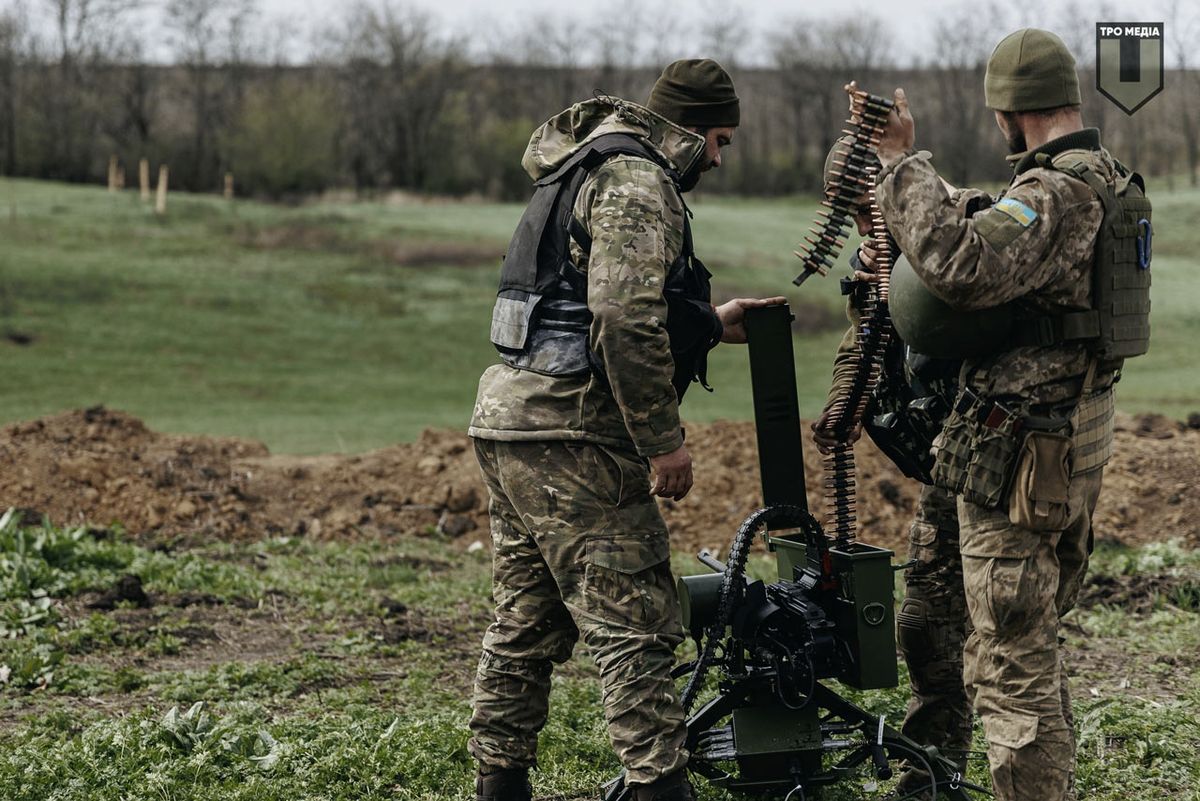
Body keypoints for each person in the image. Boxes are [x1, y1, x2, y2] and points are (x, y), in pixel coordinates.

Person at [467, 58, 785, 801]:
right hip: (577, 434)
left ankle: (498, 782)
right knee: (636, 627)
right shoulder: (640, 180)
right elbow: (621, 318)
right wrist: (662, 440)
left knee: (524, 621)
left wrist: (709, 322)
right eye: (720, 140)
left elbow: (579, 305)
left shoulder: (579, 165)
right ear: (694, 130)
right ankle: (658, 788)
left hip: (511, 422)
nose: (718, 157)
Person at [871, 28, 1148, 801]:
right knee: (982, 629)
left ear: (1009, 111)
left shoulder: (1057, 194)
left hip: (1021, 465)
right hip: (1034, 448)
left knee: (1011, 667)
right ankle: (942, 776)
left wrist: (903, 164)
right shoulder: (1091, 180)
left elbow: (963, 263)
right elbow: (997, 233)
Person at [811, 137, 971, 796]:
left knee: (1009, 636)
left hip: (998, 465)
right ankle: (930, 778)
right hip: (945, 471)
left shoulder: (963, 230)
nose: (863, 227)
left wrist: (910, 271)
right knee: (924, 626)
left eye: (868, 209)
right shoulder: (880, 256)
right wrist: (842, 404)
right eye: (850, 215)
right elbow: (866, 339)